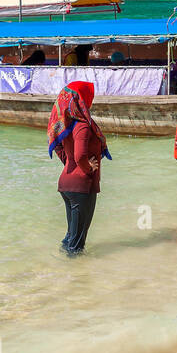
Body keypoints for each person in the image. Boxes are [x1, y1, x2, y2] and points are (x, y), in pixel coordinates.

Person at [48, 81, 109, 255]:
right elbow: (80, 154)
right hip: (81, 186)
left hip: (67, 184)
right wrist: (87, 168)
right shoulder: (82, 124)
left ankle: (61, 270)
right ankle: (76, 277)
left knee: (70, 237)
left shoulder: (66, 124)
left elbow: (59, 147)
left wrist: (72, 165)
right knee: (77, 244)